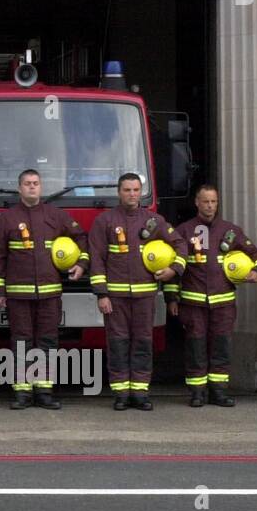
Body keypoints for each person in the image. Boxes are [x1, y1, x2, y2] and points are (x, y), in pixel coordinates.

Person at [0, 168, 88, 411]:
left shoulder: (56, 215)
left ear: (41, 187)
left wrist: (81, 264)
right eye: (27, 183)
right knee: (21, 341)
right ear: (20, 188)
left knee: (47, 341)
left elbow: (81, 239)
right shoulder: (7, 219)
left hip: (50, 293)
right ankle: (22, 392)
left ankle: (44, 391)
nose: (32, 187)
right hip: (18, 295)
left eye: (36, 183)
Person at [88, 172, 187, 411]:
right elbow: (97, 259)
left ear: (141, 192)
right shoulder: (105, 221)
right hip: (115, 298)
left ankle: (141, 392)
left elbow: (180, 244)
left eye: (135, 190)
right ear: (119, 192)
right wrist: (101, 294)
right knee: (118, 343)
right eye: (127, 190)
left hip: (145, 297)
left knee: (143, 342)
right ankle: (121, 393)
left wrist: (173, 269)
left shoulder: (155, 221)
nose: (132, 194)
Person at [163, 184, 257, 407]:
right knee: (195, 347)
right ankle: (197, 392)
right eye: (205, 201)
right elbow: (173, 268)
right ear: (196, 203)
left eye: (213, 201)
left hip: (223, 303)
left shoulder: (231, 230)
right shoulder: (184, 231)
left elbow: (255, 254)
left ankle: (218, 391)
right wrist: (171, 298)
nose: (210, 206)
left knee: (221, 346)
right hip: (192, 303)